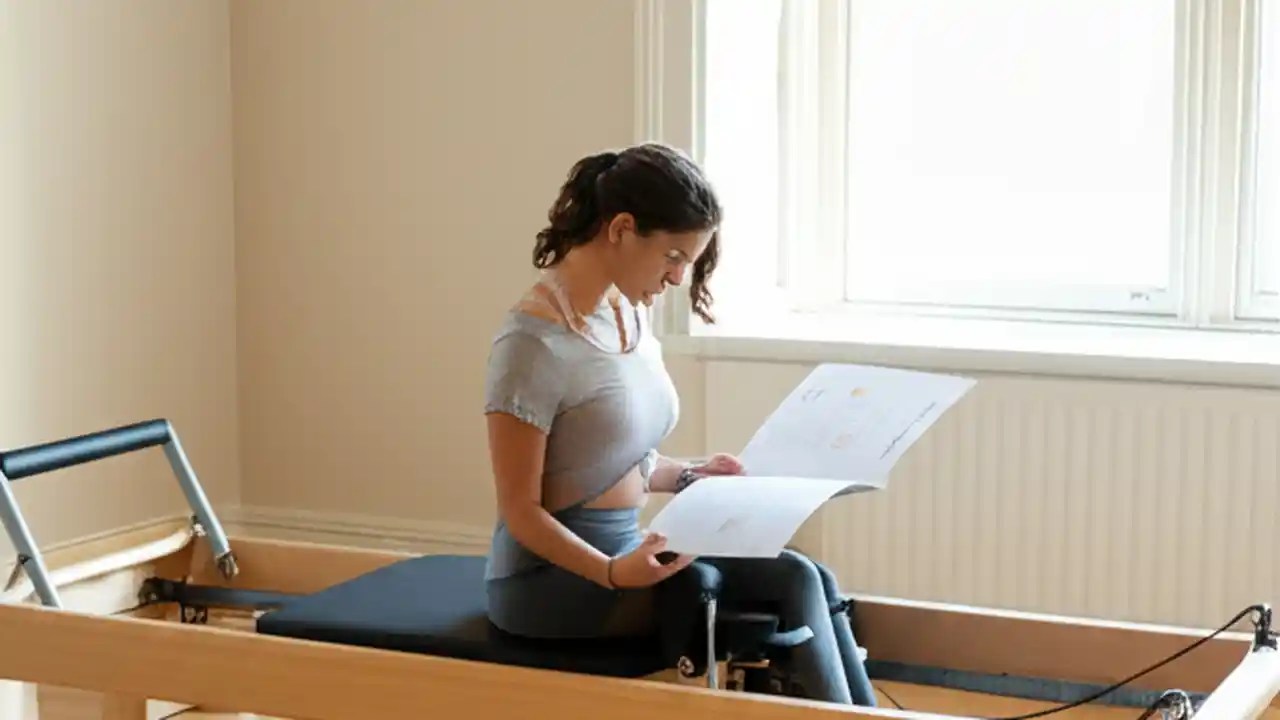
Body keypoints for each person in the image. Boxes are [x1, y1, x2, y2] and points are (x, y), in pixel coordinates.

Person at [481, 142, 877, 707]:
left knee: (807, 575)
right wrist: (614, 572)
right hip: (549, 582)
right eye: (672, 256)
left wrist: (693, 474)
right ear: (621, 229)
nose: (677, 278)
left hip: (632, 548)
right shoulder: (530, 345)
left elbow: (617, 457)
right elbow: (521, 510)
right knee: (773, 582)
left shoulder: (626, 314)